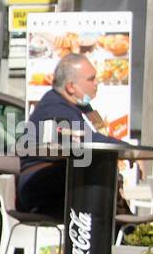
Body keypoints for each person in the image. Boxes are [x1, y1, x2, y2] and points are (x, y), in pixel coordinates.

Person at [19, 53, 123, 220]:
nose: (97, 84)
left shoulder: (86, 107)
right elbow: (86, 140)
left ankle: (114, 229)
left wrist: (121, 150)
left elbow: (101, 134)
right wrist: (123, 147)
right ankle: (100, 236)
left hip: (68, 182)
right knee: (95, 174)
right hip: (42, 187)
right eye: (91, 79)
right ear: (71, 87)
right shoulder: (54, 108)